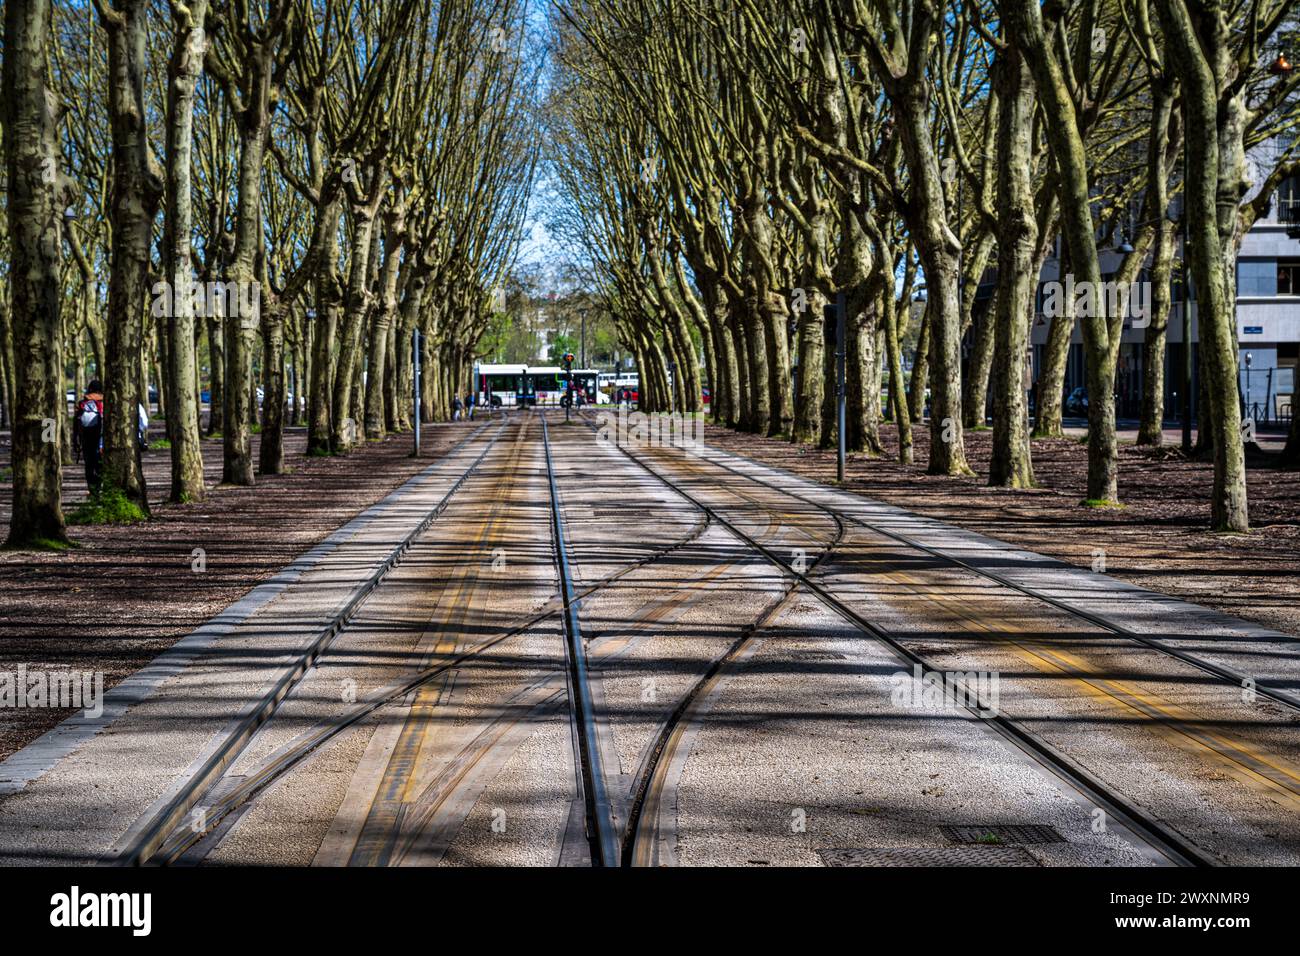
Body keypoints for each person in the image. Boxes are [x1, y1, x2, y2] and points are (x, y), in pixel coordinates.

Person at [72, 380, 105, 494]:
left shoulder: (82, 403)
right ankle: (100, 487)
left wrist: (75, 440)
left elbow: (76, 422)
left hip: (86, 438)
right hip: (101, 438)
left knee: (89, 464)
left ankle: (92, 490)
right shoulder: (105, 402)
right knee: (101, 463)